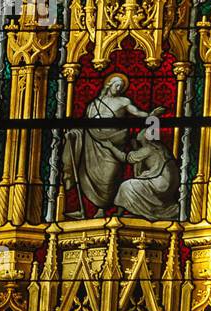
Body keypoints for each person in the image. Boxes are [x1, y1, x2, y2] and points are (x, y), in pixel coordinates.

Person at [61, 75, 165, 216]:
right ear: (109, 84)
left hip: (114, 143)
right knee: (89, 173)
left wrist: (151, 115)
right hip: (92, 144)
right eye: (117, 85)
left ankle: (104, 208)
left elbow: (136, 112)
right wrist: (74, 133)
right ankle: (96, 210)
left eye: (121, 86)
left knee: (109, 176)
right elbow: (85, 125)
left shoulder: (124, 101)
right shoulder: (95, 103)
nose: (119, 88)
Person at [113, 127, 180, 221]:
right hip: (171, 182)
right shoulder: (160, 147)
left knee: (126, 186)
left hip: (160, 181)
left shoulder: (147, 149)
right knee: (138, 186)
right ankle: (160, 211)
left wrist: (111, 147)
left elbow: (128, 158)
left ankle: (120, 213)